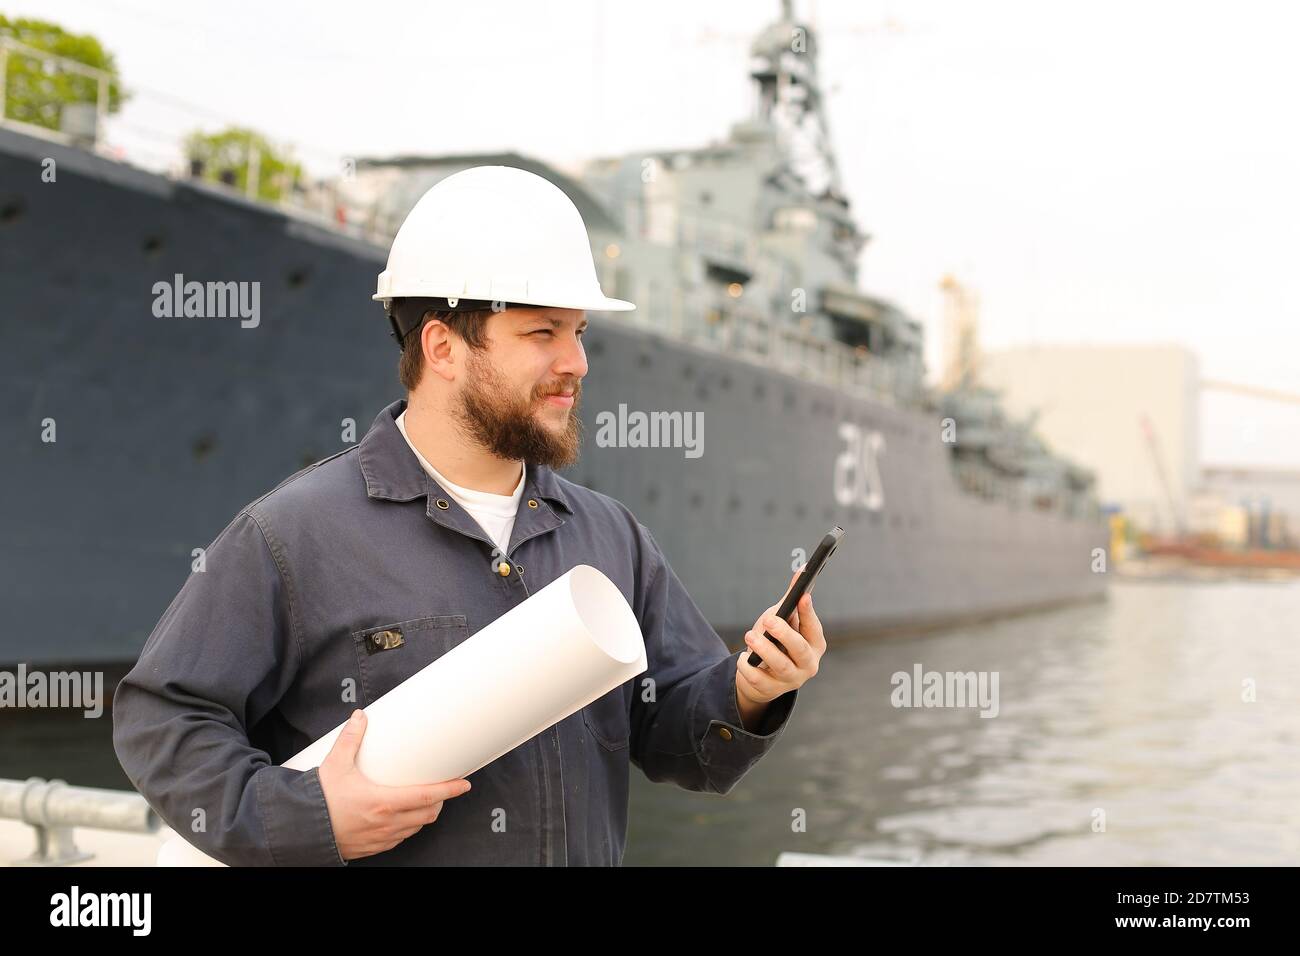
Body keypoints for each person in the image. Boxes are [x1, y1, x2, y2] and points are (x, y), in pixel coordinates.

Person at [112, 165, 825, 866]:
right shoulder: (294, 536)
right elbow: (164, 716)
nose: (577, 361)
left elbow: (675, 736)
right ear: (443, 347)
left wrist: (750, 691)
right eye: (542, 333)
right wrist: (308, 818)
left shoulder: (613, 537)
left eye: (579, 333)